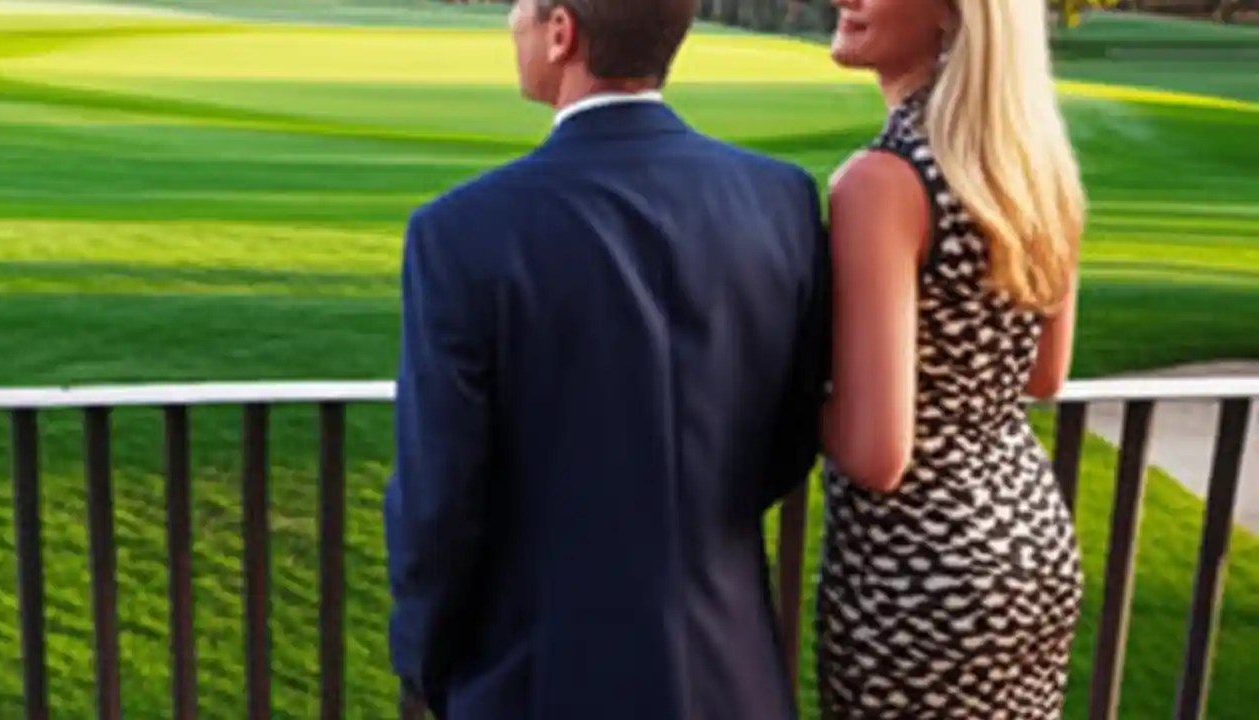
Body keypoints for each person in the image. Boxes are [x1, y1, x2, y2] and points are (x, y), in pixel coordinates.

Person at [382, 0, 829, 718]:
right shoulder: (780, 200)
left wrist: (425, 661)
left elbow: (440, 497)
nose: (511, 25)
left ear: (562, 33)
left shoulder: (460, 230)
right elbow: (792, 430)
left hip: (536, 678)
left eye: (521, 9)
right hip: (731, 672)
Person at [815, 0, 1086, 717]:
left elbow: (878, 454)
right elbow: (1044, 374)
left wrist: (777, 391)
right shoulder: (1034, 166)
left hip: (921, 579)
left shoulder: (880, 184)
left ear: (951, 15)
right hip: (1033, 543)